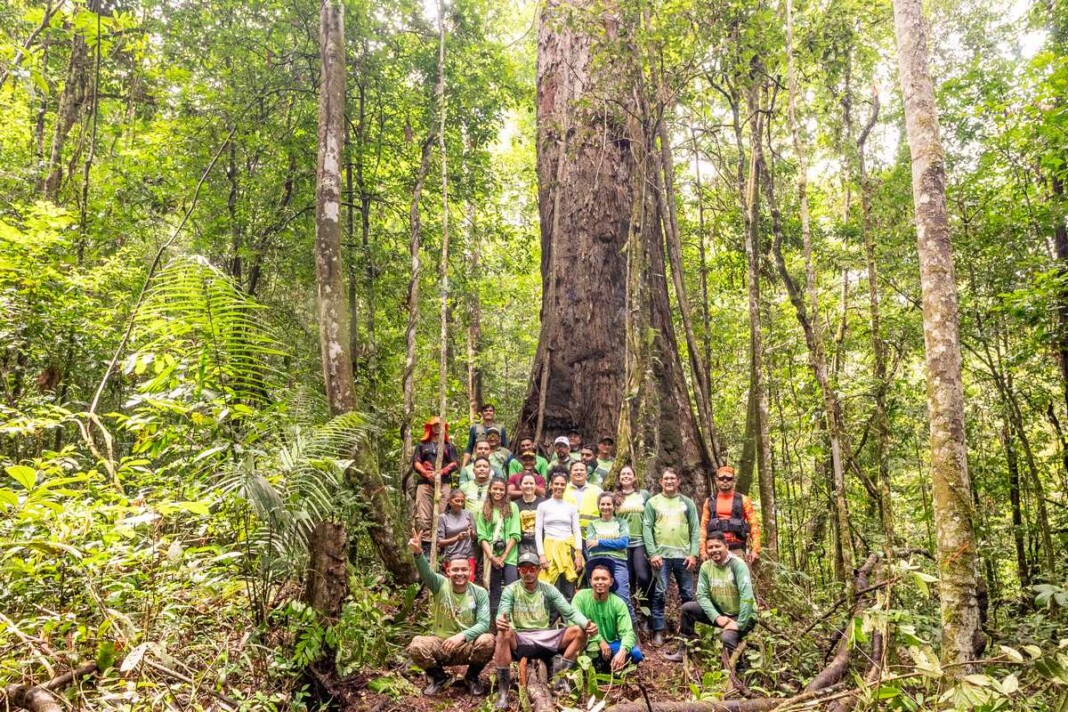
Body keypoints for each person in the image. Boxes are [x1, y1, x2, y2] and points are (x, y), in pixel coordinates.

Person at [492, 552, 595, 709]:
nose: (528, 573)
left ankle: (559, 678)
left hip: (546, 635)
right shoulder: (511, 590)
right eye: (524, 569)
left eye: (532, 568)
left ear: (539, 569)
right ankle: (503, 692)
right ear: (519, 570)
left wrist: (586, 624)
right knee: (503, 633)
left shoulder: (548, 589)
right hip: (521, 637)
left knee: (580, 631)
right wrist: (501, 620)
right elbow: (503, 611)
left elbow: (569, 611)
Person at [405, 529, 494, 697]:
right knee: (416, 645)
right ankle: (439, 678)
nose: (459, 573)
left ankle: (472, 677)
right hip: (441, 645)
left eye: (463, 569)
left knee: (488, 640)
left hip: (466, 645)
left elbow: (483, 624)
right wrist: (418, 552)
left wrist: (462, 636)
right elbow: (426, 573)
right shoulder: (440, 584)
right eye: (455, 570)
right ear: (448, 571)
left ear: (470, 571)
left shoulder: (480, 592)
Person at [663, 532, 757, 668]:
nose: (714, 550)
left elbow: (747, 597)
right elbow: (702, 595)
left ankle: (739, 670)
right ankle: (683, 652)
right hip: (722, 612)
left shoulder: (738, 565)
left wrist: (739, 624)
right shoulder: (706, 567)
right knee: (687, 609)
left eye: (717, 546)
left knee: (727, 637)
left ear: (726, 546)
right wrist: (717, 617)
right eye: (710, 547)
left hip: (744, 615)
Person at [643, 468, 700, 647]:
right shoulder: (653, 503)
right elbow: (647, 529)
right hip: (662, 557)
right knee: (660, 593)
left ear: (678, 481)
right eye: (666, 478)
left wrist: (693, 553)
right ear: (661, 481)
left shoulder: (687, 503)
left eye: (672, 478)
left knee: (687, 594)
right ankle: (658, 630)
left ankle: (687, 632)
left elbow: (695, 529)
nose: (669, 481)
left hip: (683, 556)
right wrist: (652, 553)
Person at [572, 564, 644, 674]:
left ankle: (612, 669)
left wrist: (622, 651)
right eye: (596, 579)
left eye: (604, 579)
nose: (600, 582)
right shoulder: (581, 597)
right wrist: (599, 640)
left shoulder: (618, 603)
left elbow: (628, 633)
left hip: (610, 645)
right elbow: (572, 623)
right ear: (591, 581)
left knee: (636, 654)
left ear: (611, 582)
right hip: (586, 644)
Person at [614, 465, 653, 630]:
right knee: (627, 580)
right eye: (623, 474)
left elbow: (651, 516)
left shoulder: (643, 495)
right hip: (622, 543)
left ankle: (646, 615)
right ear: (619, 478)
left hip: (640, 542)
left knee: (644, 577)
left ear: (635, 477)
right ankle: (629, 617)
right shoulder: (615, 497)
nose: (626, 476)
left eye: (629, 473)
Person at [584, 492, 634, 621]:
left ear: (613, 506)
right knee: (596, 598)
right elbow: (590, 545)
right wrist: (613, 543)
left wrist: (599, 542)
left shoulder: (622, 523)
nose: (605, 507)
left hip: (618, 562)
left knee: (623, 597)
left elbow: (623, 543)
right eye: (603, 504)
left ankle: (632, 633)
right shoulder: (592, 524)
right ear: (598, 506)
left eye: (608, 504)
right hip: (597, 563)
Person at [476, 477, 520, 617]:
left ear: (506, 491)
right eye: (495, 488)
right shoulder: (484, 509)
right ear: (490, 489)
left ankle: (512, 621)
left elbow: (515, 534)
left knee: (511, 587)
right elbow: (482, 536)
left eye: (501, 489)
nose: (498, 492)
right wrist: (492, 557)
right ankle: (494, 622)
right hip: (491, 556)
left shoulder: (512, 507)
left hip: (510, 555)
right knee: (494, 589)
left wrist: (504, 556)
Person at [412, 417, 459, 548]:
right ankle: (426, 544)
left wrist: (441, 473)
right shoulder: (422, 445)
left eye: (440, 425)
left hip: (443, 484)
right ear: (430, 427)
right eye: (435, 425)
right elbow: (416, 462)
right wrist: (427, 473)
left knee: (441, 513)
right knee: (424, 515)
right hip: (425, 484)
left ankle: (440, 544)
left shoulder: (449, 446)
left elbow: (455, 463)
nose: (438, 428)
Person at [535, 472, 583, 599]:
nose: (559, 487)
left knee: (569, 588)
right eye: (556, 484)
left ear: (566, 486)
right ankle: (552, 618)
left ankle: (568, 619)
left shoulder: (571, 507)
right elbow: (538, 531)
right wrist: (541, 555)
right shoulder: (543, 506)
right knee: (551, 587)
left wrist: (578, 556)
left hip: (568, 550)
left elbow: (576, 531)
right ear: (550, 485)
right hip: (550, 549)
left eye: (562, 484)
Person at [700, 465, 761, 564]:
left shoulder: (743, 500)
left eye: (728, 478)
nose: (725, 481)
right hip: (715, 550)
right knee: (717, 579)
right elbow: (703, 527)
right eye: (722, 478)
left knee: (741, 578)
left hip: (737, 548)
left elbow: (754, 525)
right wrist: (702, 550)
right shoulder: (709, 501)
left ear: (733, 480)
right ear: (717, 480)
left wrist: (756, 550)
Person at [437, 490, 476, 580]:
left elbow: (474, 537)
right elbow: (440, 542)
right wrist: (457, 538)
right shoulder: (443, 517)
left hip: (468, 556)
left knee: (469, 583)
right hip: (451, 556)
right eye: (457, 500)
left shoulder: (468, 514)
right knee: (454, 584)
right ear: (450, 501)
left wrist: (471, 532)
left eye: (462, 501)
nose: (459, 503)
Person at [563, 459, 602, 531]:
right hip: (567, 535)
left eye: (581, 470)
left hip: (591, 536)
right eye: (576, 470)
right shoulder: (563, 489)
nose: (579, 472)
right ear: (570, 474)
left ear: (586, 473)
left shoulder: (597, 491)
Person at [515, 472, 545, 559]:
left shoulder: (543, 503)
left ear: (536, 486)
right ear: (520, 486)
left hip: (540, 545)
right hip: (521, 546)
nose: (528, 486)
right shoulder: (515, 505)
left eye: (531, 483)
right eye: (525, 483)